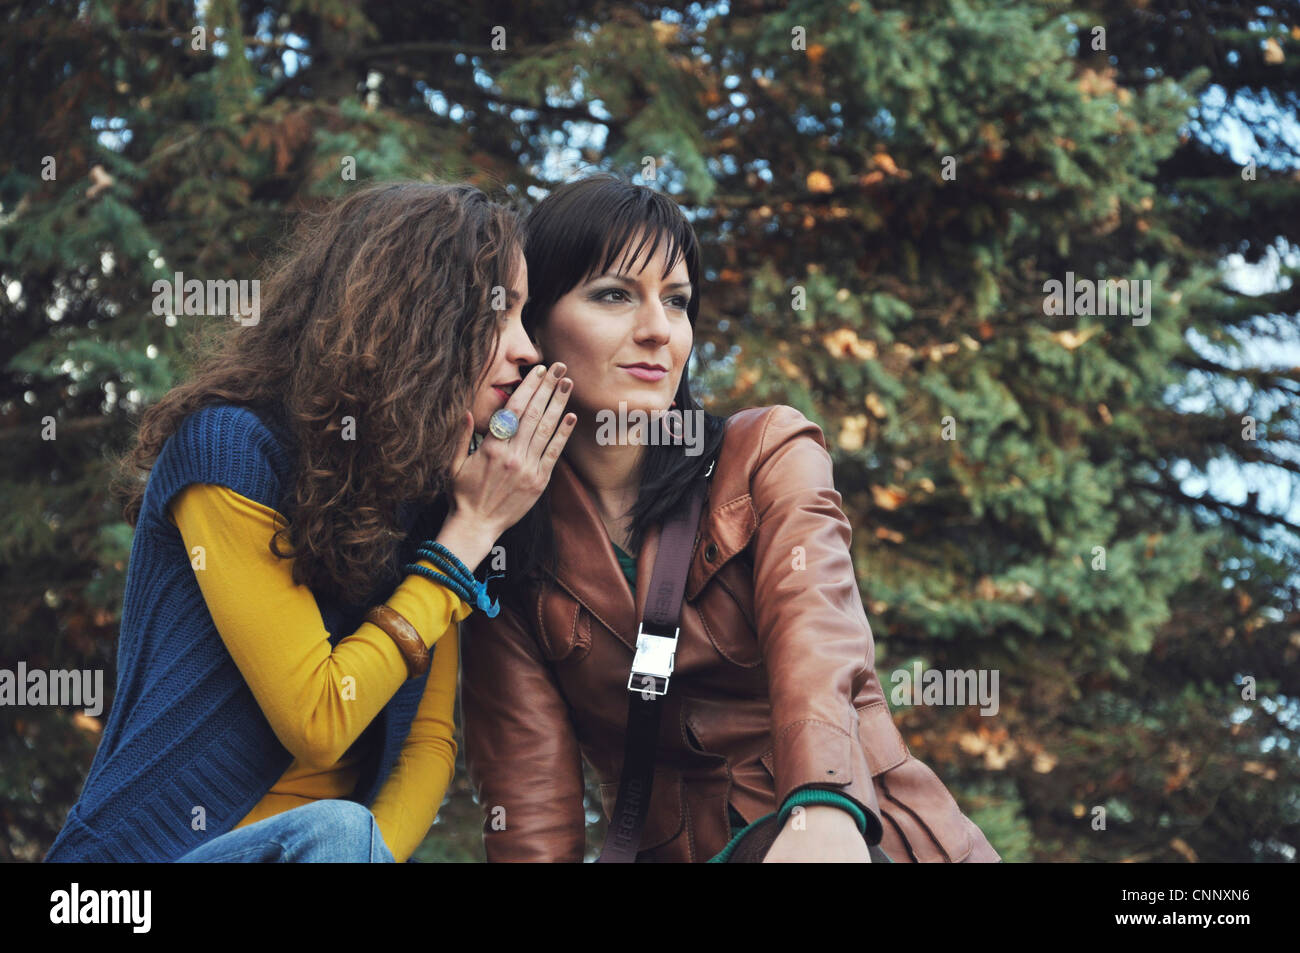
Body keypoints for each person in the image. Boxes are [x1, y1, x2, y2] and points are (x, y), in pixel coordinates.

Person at [461, 174, 1001, 862]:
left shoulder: (767, 450)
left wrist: (821, 803)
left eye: (678, 301)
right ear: (534, 324)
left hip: (858, 836)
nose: (658, 329)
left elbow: (820, 640)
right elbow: (530, 808)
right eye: (614, 294)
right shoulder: (506, 547)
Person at [45, 181, 575, 862]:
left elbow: (429, 741)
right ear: (419, 317)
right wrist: (467, 536)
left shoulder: (433, 503)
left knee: (345, 837)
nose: (526, 349)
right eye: (499, 316)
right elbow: (320, 717)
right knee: (338, 831)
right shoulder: (228, 452)